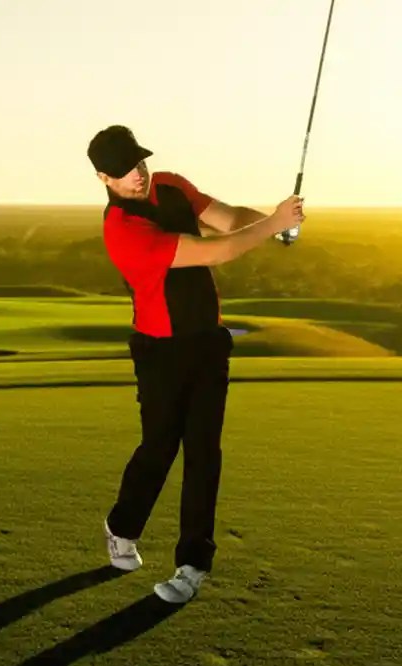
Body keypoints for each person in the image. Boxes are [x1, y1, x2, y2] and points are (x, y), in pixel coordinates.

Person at [86, 124, 305, 604]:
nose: (138, 176)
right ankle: (121, 526)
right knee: (159, 447)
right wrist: (273, 223)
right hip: (160, 350)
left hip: (207, 342)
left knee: (204, 452)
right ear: (105, 178)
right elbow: (219, 251)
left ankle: (192, 564)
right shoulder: (122, 229)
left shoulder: (170, 184)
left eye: (139, 163)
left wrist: (276, 225)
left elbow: (229, 221)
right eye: (124, 172)